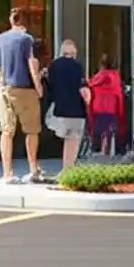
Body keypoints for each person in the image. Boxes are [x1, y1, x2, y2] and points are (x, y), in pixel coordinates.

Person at [0, 7, 44, 184]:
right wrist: (39, 87)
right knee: (32, 131)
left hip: (6, 89)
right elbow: (32, 65)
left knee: (6, 132)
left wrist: (2, 82)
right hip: (26, 89)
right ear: (25, 22)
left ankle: (7, 173)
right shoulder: (27, 39)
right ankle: (33, 169)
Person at [47, 40, 89, 170]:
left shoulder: (53, 66)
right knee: (73, 141)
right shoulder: (77, 66)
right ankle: (68, 170)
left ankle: (66, 168)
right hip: (75, 110)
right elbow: (82, 89)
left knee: (65, 138)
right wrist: (88, 101)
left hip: (58, 110)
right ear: (73, 53)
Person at [88, 54, 124, 156]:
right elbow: (118, 93)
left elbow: (90, 86)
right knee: (109, 129)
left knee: (98, 128)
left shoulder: (99, 76)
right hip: (111, 107)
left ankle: (97, 149)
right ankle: (106, 150)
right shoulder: (115, 76)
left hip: (98, 107)